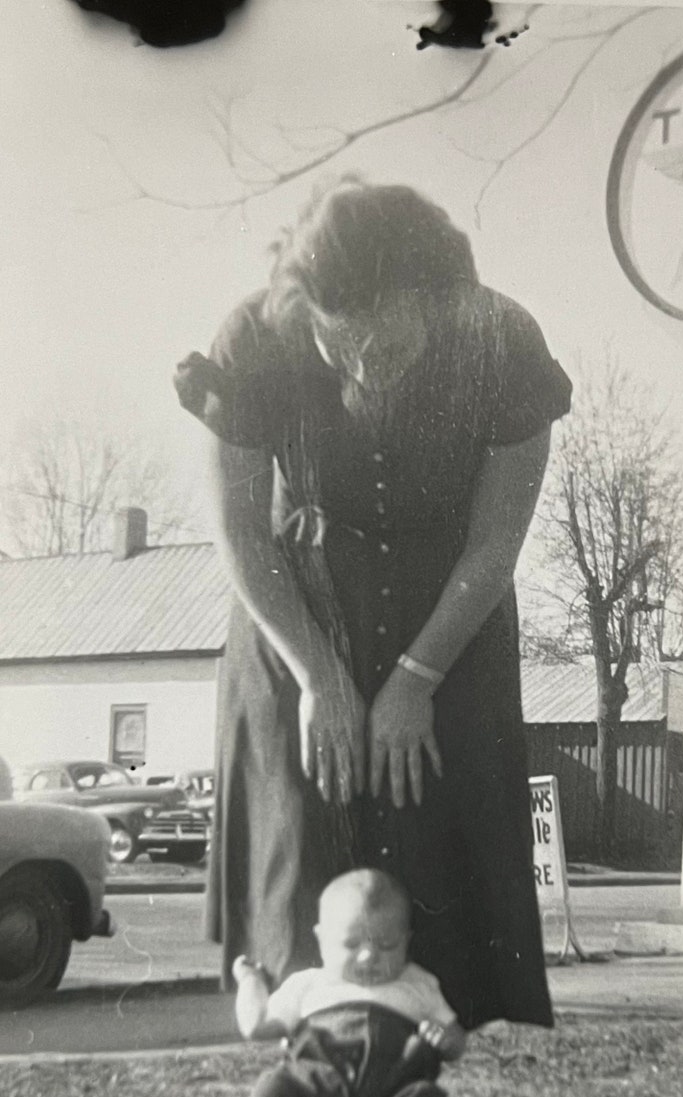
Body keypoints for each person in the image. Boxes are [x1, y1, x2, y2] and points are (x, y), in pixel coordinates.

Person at [174, 176, 573, 1032]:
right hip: (295, 627)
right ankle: (304, 1093)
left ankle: (419, 1094)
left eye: (386, 346)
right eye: (338, 345)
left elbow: (493, 545)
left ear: (437, 301)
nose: (362, 368)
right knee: (304, 872)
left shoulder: (501, 344)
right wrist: (319, 673)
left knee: (441, 879)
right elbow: (241, 535)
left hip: (450, 625)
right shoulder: (254, 339)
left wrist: (416, 679)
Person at [233, 867, 466, 1097]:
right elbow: (256, 1026)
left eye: (386, 945)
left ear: (406, 940)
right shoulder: (309, 984)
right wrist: (250, 981)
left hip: (392, 1093)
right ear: (321, 940)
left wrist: (447, 1039)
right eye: (351, 944)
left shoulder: (419, 984)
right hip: (318, 1090)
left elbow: (455, 1040)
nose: (368, 957)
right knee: (275, 1087)